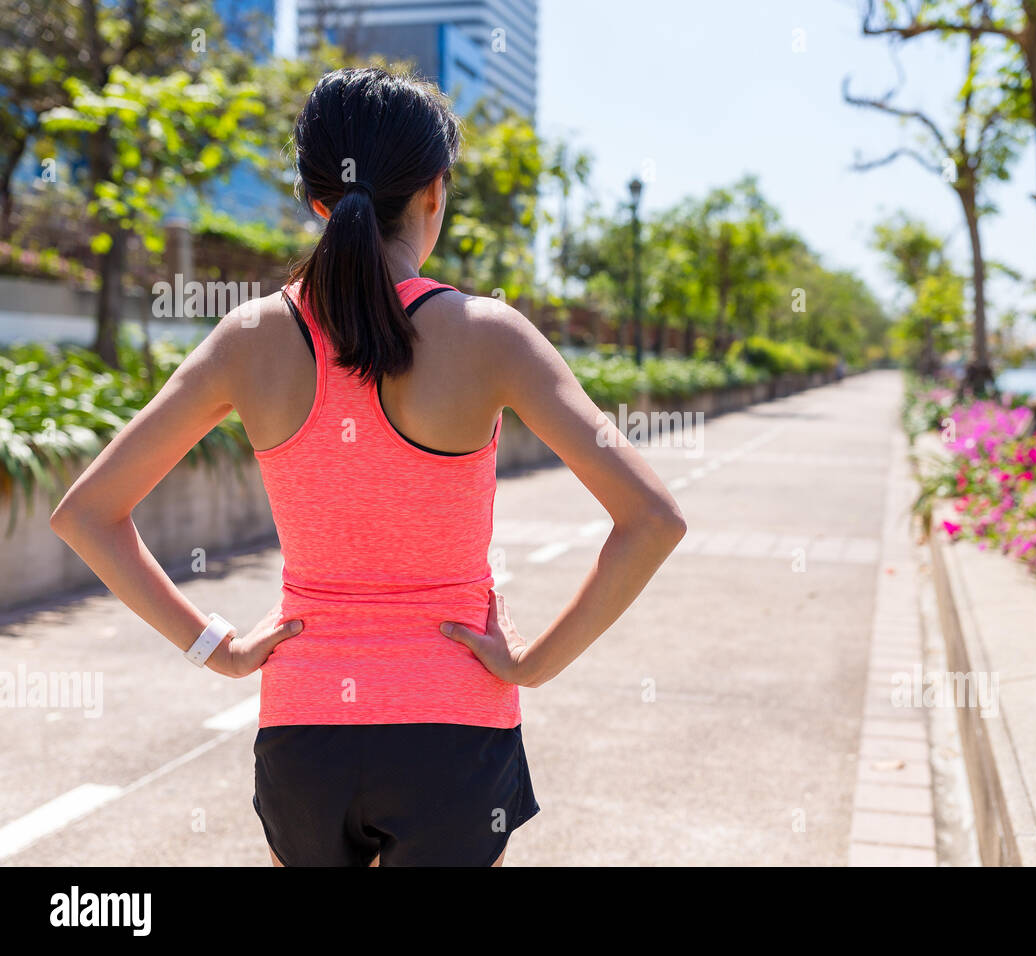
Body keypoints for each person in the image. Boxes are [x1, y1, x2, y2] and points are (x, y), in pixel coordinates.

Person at [49, 67, 687, 867]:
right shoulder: (491, 335)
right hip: (455, 734)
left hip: (303, 735)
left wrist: (217, 647)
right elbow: (653, 519)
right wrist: (533, 663)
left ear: (316, 200)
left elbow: (84, 513)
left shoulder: (249, 338)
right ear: (434, 191)